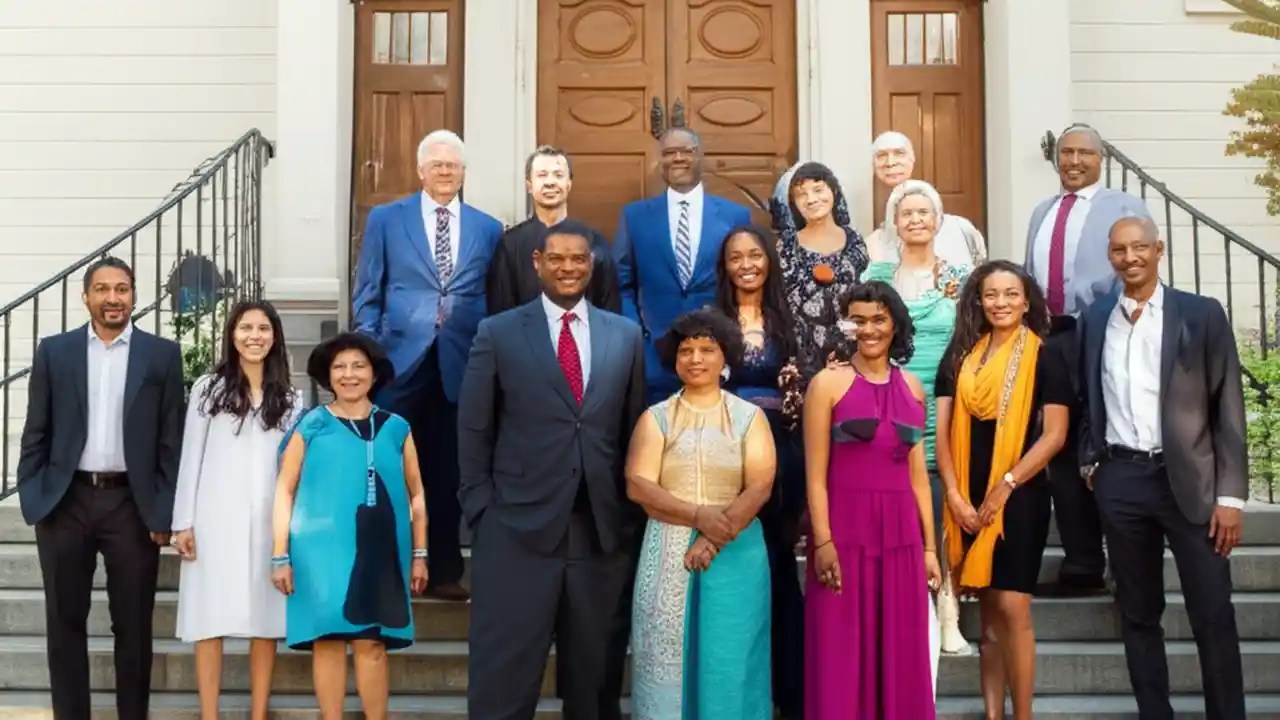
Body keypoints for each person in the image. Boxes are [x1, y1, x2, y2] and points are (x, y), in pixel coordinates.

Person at [458, 220, 647, 720]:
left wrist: (626, 519)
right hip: (515, 529)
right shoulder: (497, 332)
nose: (569, 268)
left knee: (594, 683)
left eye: (579, 259)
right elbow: (475, 428)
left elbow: (629, 430)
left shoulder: (624, 336)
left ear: (592, 265)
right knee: (504, 681)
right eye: (557, 259)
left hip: (599, 532)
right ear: (537, 262)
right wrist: (480, 510)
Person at [1079, 216, 1247, 720]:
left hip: (1192, 484)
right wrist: (1093, 464)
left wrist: (1230, 497)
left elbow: (1228, 406)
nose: (1129, 258)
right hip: (1122, 481)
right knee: (1138, 615)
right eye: (1118, 250)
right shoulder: (1095, 318)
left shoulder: (1200, 314)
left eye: (1139, 248)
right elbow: (1087, 397)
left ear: (1159, 249)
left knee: (1212, 613)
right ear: (1109, 256)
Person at [17, 256, 184, 720]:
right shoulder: (55, 351)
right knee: (65, 624)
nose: (114, 297)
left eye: (123, 288)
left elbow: (172, 441)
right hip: (64, 501)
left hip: (131, 505)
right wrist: (34, 496)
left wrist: (162, 514)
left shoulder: (162, 355)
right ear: (86, 296)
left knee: (133, 626)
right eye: (104, 289)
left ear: (134, 294)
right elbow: (37, 432)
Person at [351, 128, 503, 601]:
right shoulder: (386, 219)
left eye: (452, 164)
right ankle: (386, 567)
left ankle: (442, 571)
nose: (444, 170)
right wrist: (371, 354)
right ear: (420, 171)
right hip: (399, 360)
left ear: (463, 172)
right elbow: (368, 290)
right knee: (385, 465)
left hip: (461, 361)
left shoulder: (488, 227)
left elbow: (492, 298)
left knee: (448, 470)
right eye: (436, 164)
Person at [935, 261, 1071, 720]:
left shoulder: (1044, 355)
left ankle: (1023, 716)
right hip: (968, 495)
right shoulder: (961, 358)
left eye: (1011, 294)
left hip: (1021, 494)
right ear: (978, 301)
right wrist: (954, 495)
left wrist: (1007, 484)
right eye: (991, 294)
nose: (1001, 303)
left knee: (1014, 609)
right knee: (989, 618)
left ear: (1026, 301)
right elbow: (943, 433)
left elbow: (1054, 435)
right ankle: (993, 715)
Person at [270, 332, 429, 720]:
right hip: (317, 552)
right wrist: (280, 555)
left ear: (374, 374)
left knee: (371, 643)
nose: (349, 374)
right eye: (339, 367)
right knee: (327, 641)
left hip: (382, 550)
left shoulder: (397, 428)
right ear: (328, 376)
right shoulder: (312, 425)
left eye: (358, 365)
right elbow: (284, 491)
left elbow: (417, 495)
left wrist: (420, 554)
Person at [626, 308, 775, 719]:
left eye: (707, 349)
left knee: (731, 659)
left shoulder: (750, 417)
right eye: (686, 350)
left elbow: (759, 485)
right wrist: (697, 515)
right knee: (664, 655)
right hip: (668, 547)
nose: (695, 358)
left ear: (725, 356)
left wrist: (711, 536)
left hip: (736, 551)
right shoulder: (655, 418)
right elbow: (639, 484)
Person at [1023, 123, 1151, 597]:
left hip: (1102, 332)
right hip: (1051, 337)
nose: (1073, 161)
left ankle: (1128, 564)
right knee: (1058, 448)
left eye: (1083, 153)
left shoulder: (1122, 207)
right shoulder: (1042, 211)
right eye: (1065, 153)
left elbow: (1136, 269)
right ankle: (1081, 564)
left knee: (1106, 440)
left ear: (1100, 159)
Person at [804, 282, 940, 719]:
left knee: (901, 647)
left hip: (901, 537)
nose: (868, 329)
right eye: (858, 320)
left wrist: (930, 549)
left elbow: (919, 477)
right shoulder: (826, 384)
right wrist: (822, 541)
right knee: (839, 649)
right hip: (845, 533)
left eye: (878, 319)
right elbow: (815, 475)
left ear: (895, 323)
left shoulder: (915, 387)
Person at [172, 300, 304, 719]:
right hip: (214, 517)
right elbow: (191, 456)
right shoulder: (207, 389)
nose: (254, 336)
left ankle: (258, 712)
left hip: (269, 519)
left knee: (265, 621)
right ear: (232, 335)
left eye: (263, 328)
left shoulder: (291, 397)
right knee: (208, 617)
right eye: (245, 328)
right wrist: (183, 522)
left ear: (275, 336)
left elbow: (295, 468)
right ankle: (209, 714)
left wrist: (294, 527)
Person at [861, 179, 973, 665]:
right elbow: (863, 329)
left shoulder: (961, 275)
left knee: (942, 501)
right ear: (894, 223)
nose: (916, 220)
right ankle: (904, 608)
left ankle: (948, 609)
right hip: (892, 393)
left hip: (946, 398)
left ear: (939, 220)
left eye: (924, 212)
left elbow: (973, 334)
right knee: (899, 502)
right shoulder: (878, 272)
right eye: (906, 213)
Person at [714, 225, 805, 719]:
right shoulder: (711, 321)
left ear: (769, 261)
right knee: (734, 569)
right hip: (723, 452)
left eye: (755, 255)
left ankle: (789, 693)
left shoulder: (788, 320)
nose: (746, 264)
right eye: (735, 257)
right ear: (724, 266)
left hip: (780, 452)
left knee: (777, 568)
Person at [614, 127, 752, 403]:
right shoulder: (635, 217)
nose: (677, 158)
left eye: (686, 151)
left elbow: (745, 281)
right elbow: (621, 282)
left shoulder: (734, 215)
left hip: (717, 352)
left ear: (700, 156)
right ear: (660, 161)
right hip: (655, 356)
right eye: (669, 153)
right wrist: (637, 334)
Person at [486, 145, 621, 315]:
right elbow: (500, 310)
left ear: (569, 184)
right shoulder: (510, 244)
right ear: (529, 185)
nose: (550, 182)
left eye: (558, 175)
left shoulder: (593, 241)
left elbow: (609, 307)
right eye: (542, 175)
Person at [776, 162, 870, 383]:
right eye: (801, 194)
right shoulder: (787, 245)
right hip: (799, 356)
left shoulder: (855, 241)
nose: (811, 199)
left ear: (833, 192)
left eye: (818, 190)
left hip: (851, 356)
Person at [865, 131, 987, 266]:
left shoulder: (960, 229)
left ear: (912, 158)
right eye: (881, 155)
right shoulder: (874, 243)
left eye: (899, 153)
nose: (890, 162)